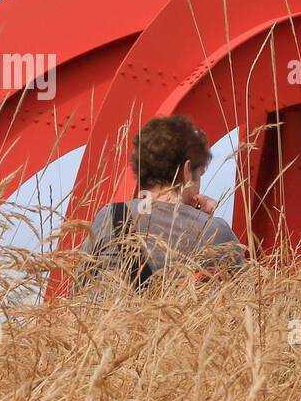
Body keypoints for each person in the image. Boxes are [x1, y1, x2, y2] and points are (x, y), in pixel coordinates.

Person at [83, 116, 244, 286]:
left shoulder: (110, 215)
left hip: (109, 312)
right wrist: (206, 222)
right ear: (187, 170)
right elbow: (244, 297)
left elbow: (79, 286)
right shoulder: (216, 231)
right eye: (199, 174)